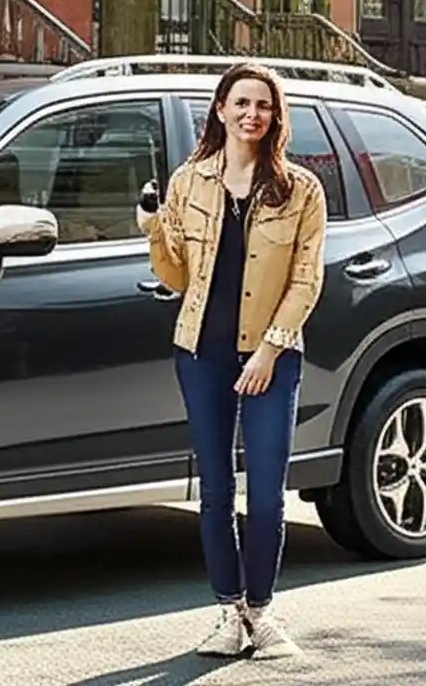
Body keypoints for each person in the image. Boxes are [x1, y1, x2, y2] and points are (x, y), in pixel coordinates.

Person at [136, 62, 326, 659]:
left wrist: (269, 349)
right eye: (241, 103)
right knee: (215, 490)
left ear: (275, 117)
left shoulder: (301, 190)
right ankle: (227, 613)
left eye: (263, 105)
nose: (252, 114)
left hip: (273, 357)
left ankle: (262, 614)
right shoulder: (189, 182)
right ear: (220, 110)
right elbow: (175, 275)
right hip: (202, 353)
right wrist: (152, 231)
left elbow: (306, 280)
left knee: (267, 494)